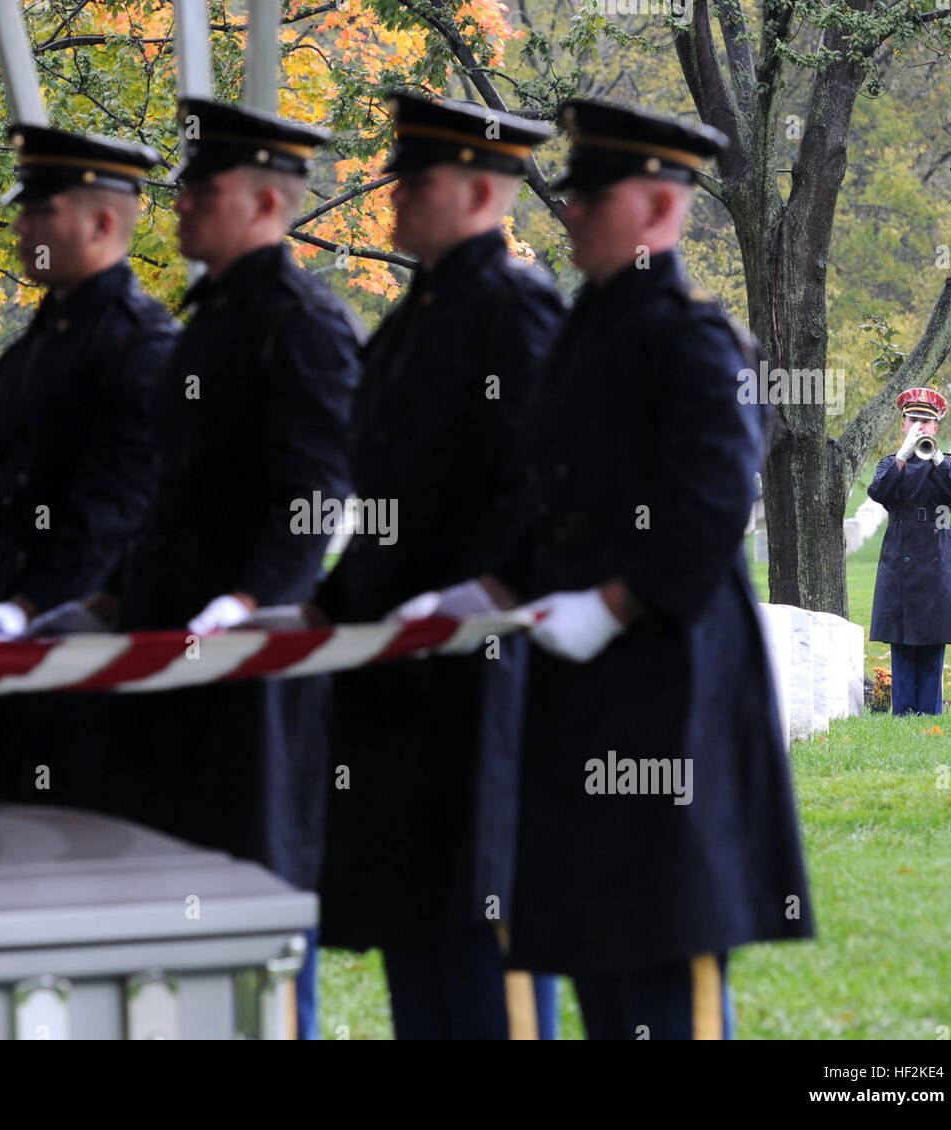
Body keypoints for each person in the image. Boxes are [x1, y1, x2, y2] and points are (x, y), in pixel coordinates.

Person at [420, 99, 814, 1038]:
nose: (574, 211)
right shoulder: (581, 331)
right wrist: (496, 586)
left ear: (657, 207)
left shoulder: (692, 335)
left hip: (668, 685)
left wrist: (615, 601)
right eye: (574, 193)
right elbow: (555, 501)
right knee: (594, 939)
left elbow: (713, 505)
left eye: (597, 195)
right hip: (581, 693)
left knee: (663, 960)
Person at [81, 99, 361, 1039]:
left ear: (266, 202)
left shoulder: (303, 323)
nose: (183, 199)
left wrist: (244, 601)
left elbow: (315, 492)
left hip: (248, 673)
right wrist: (111, 596)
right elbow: (163, 489)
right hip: (165, 661)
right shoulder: (205, 324)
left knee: (257, 922)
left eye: (205, 186)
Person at [307, 92, 566, 1040]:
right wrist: (322, 611)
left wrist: (489, 590)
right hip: (398, 680)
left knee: (478, 927)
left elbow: (549, 487)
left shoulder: (518, 311)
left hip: (481, 677)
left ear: (483, 188)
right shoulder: (415, 317)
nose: (395, 199)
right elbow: (386, 516)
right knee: (414, 935)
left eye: (416, 182)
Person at [0, 125, 178, 806]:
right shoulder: (41, 346)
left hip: (91, 660)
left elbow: (112, 511)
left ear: (104, 221)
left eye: (41, 212)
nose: (22, 227)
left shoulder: (141, 346)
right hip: (20, 655)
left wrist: (27, 607)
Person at [868, 388, 951, 715]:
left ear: (936, 427)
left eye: (926, 421)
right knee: (901, 639)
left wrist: (937, 458)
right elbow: (879, 492)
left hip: (936, 560)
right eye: (914, 419)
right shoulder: (890, 463)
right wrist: (902, 454)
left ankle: (930, 709)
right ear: (903, 424)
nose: (920, 426)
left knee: (933, 638)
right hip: (900, 557)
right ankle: (903, 711)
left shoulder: (947, 464)